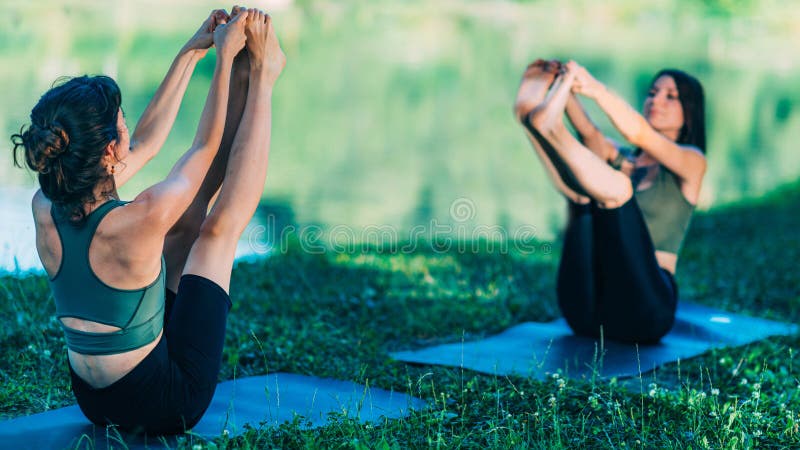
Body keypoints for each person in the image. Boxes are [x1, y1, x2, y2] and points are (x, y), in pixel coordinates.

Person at [10, 6, 285, 434]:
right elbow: (204, 147)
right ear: (107, 154)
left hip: (93, 399)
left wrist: (193, 50)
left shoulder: (45, 203)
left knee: (183, 222)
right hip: (165, 402)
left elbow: (145, 142)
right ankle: (263, 77)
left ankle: (248, 80)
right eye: (120, 123)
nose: (128, 128)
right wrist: (226, 61)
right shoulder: (138, 219)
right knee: (216, 231)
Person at [513, 59, 707, 343]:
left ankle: (544, 126)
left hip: (647, 312)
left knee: (617, 188)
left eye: (671, 97)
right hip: (589, 312)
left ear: (689, 113)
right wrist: (563, 82)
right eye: (652, 93)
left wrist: (595, 88)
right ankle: (532, 122)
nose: (656, 101)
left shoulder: (691, 162)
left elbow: (638, 132)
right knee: (580, 194)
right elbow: (590, 133)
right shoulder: (622, 157)